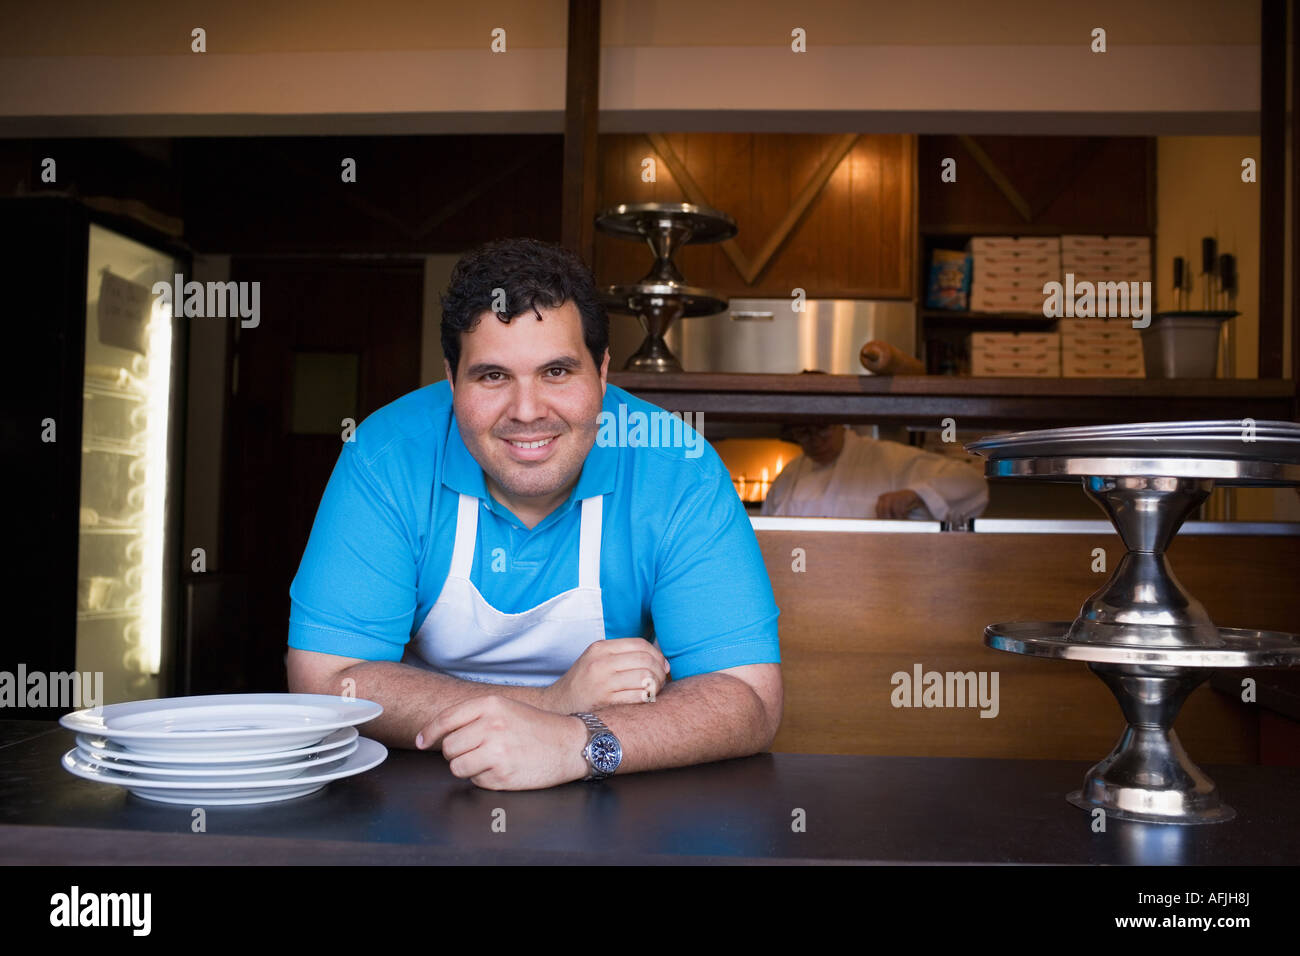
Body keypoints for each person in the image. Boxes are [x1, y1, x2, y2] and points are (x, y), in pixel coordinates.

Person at [286, 238, 782, 791]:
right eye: (493, 376)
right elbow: (326, 681)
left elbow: (749, 698)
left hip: (612, 796)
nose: (527, 412)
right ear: (451, 380)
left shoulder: (676, 467)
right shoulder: (386, 455)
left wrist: (576, 742)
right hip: (424, 792)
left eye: (556, 372)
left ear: (603, 371)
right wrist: (550, 702)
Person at [761, 422, 988, 522]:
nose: (815, 441)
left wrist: (916, 494)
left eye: (822, 430)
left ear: (841, 423)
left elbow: (972, 483)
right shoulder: (789, 475)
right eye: (804, 433)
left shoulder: (888, 458)